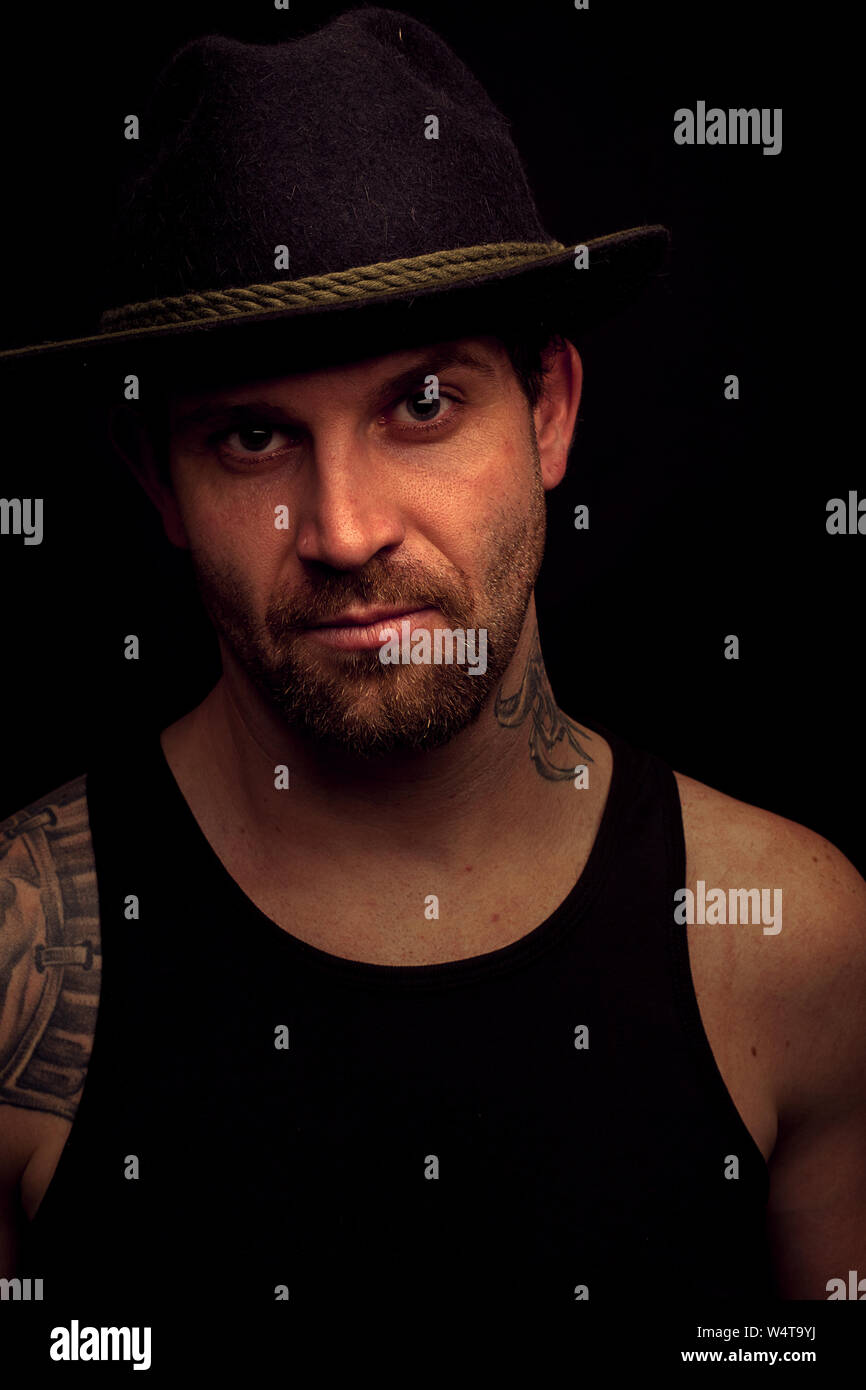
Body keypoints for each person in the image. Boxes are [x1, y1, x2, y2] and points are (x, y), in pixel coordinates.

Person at [0, 4, 863, 1360]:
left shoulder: (795, 939)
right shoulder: (19, 954)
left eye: (419, 404)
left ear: (552, 411)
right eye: (248, 434)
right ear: (160, 485)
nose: (342, 531)